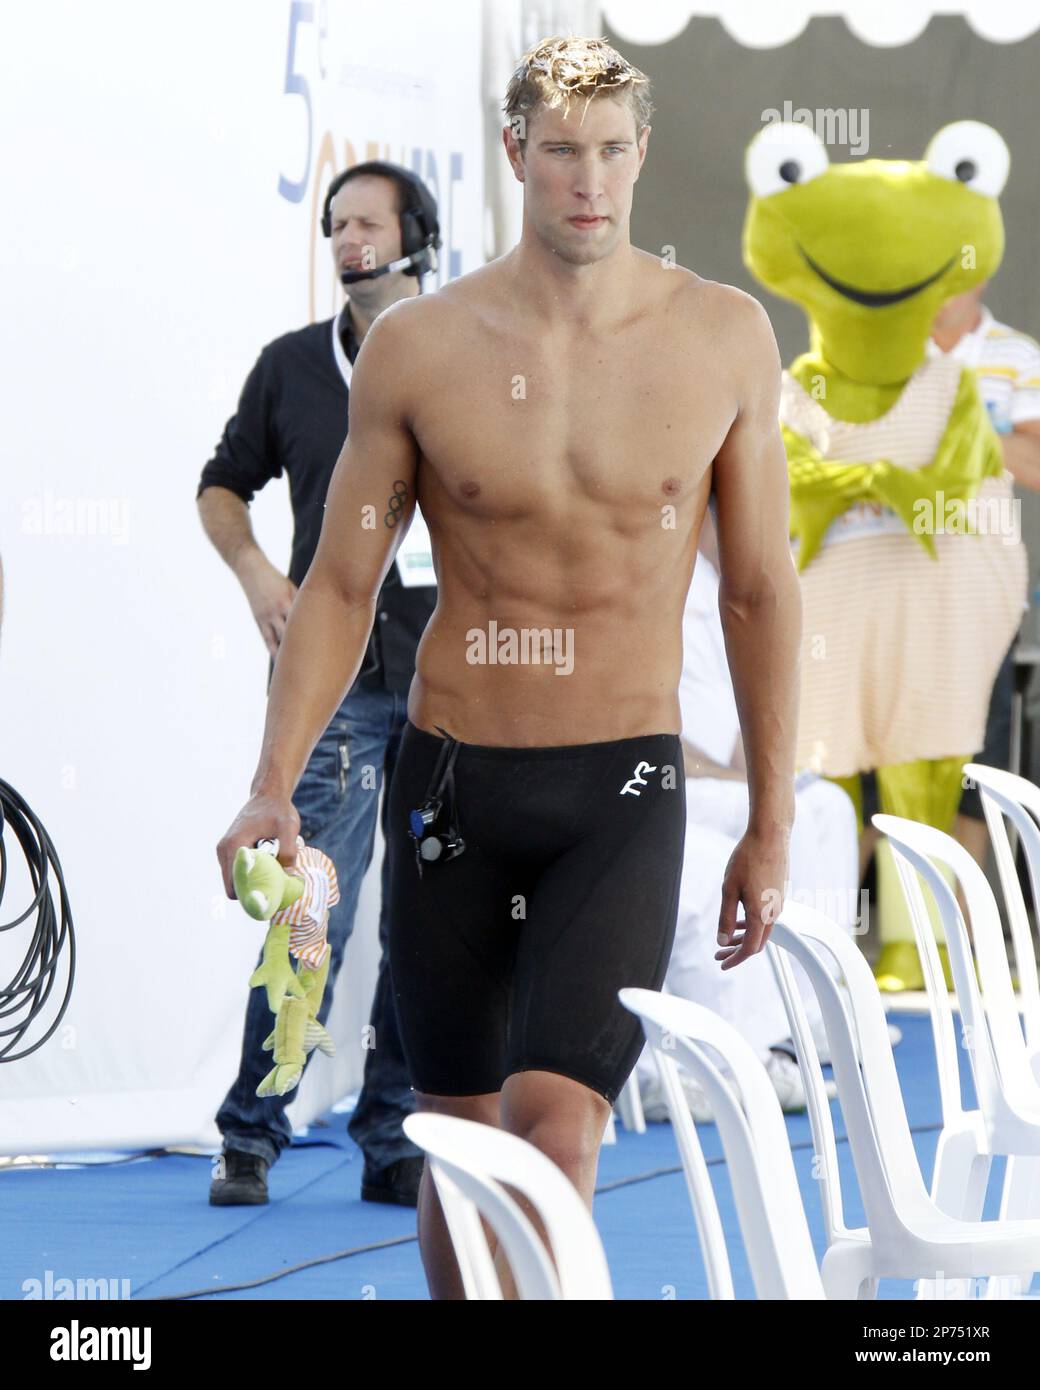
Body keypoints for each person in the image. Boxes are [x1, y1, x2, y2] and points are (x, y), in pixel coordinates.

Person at [215, 34, 802, 1299]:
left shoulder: (722, 338)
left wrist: (770, 814)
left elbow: (757, 591)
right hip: (452, 790)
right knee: (463, 1141)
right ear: (512, 156)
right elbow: (338, 584)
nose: (585, 182)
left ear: (640, 154)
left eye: (608, 152)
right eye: (557, 154)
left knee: (556, 1131)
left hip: (622, 796)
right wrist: (273, 780)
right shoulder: (420, 347)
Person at [198, 161, 440, 1208]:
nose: (346, 239)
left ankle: (393, 1135)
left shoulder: (471, 353)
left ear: (414, 234)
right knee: (311, 910)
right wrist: (259, 573)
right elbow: (220, 485)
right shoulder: (291, 365)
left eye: (365, 222)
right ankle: (253, 1131)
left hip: (448, 678)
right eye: (334, 224)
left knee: (426, 925)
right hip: (333, 681)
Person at [930, 287, 1040, 880]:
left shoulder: (1018, 356)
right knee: (875, 759)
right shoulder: (877, 352)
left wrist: (966, 430)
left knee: (979, 755)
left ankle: (959, 931)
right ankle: (865, 931)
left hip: (984, 593)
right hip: (887, 589)